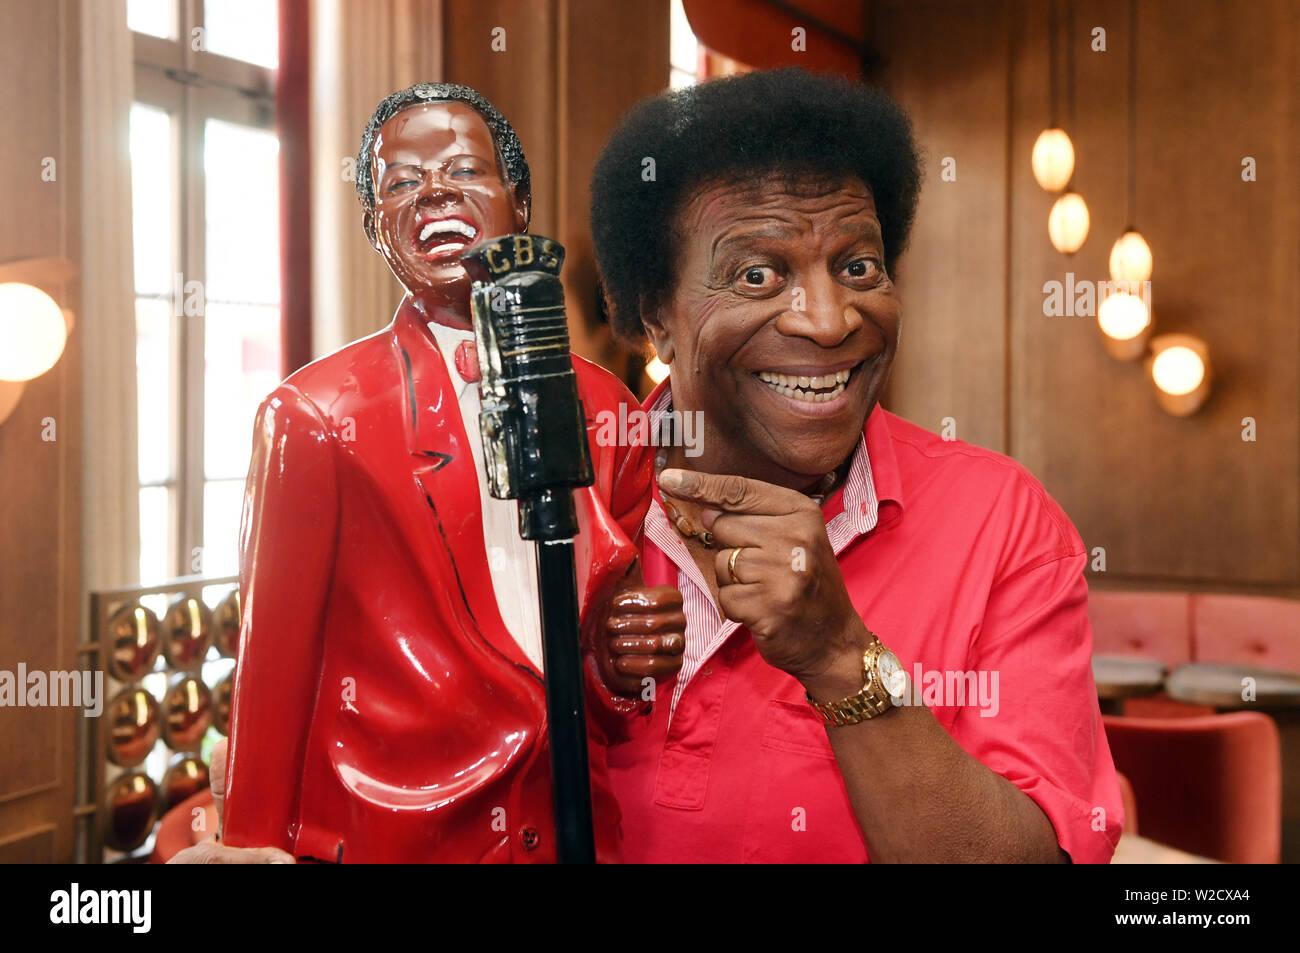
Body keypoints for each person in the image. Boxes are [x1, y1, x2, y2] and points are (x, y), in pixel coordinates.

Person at [589, 67, 1124, 863]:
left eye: (857, 267)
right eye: (757, 274)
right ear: (652, 317)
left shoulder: (1001, 522)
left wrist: (838, 656)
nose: (831, 320)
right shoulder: (559, 502)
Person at [176, 82, 685, 864]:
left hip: (568, 822)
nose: (434, 193)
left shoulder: (607, 407)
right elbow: (274, 667)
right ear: (377, 228)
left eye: (462, 170)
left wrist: (618, 659)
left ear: (520, 203)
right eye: (402, 184)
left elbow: (610, 660)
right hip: (395, 830)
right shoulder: (313, 415)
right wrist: (251, 842)